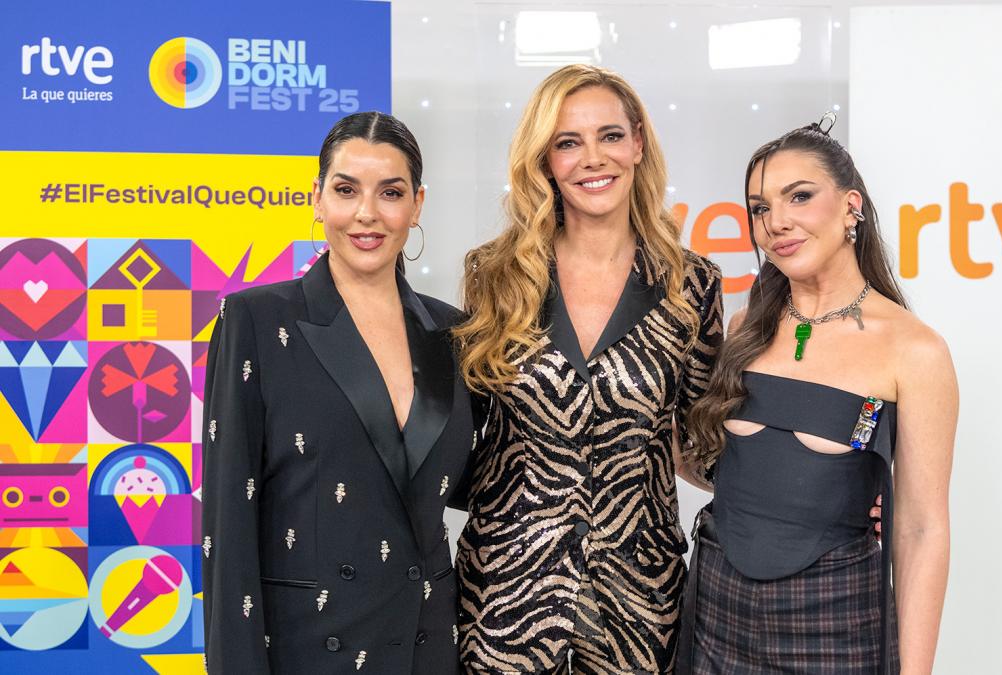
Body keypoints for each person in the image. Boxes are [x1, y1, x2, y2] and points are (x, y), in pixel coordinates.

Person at [451, 64, 724, 673]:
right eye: (568, 142)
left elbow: (702, 444)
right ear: (545, 160)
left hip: (640, 600)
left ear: (638, 144)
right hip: (507, 594)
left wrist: (821, 492)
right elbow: (457, 432)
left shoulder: (692, 284)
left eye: (610, 135)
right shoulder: (494, 277)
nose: (592, 158)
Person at [676, 117, 958, 675]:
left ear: (851, 206)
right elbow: (719, 468)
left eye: (799, 196)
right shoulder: (744, 327)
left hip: (835, 621)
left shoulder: (915, 350)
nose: (776, 222)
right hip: (714, 609)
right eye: (760, 208)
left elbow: (922, 529)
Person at [201, 112, 475, 674]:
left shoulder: (455, 333)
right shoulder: (256, 320)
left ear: (417, 205)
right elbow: (229, 527)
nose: (367, 213)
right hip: (309, 647)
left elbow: (485, 485)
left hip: (426, 645)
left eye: (390, 193)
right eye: (346, 190)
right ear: (317, 198)